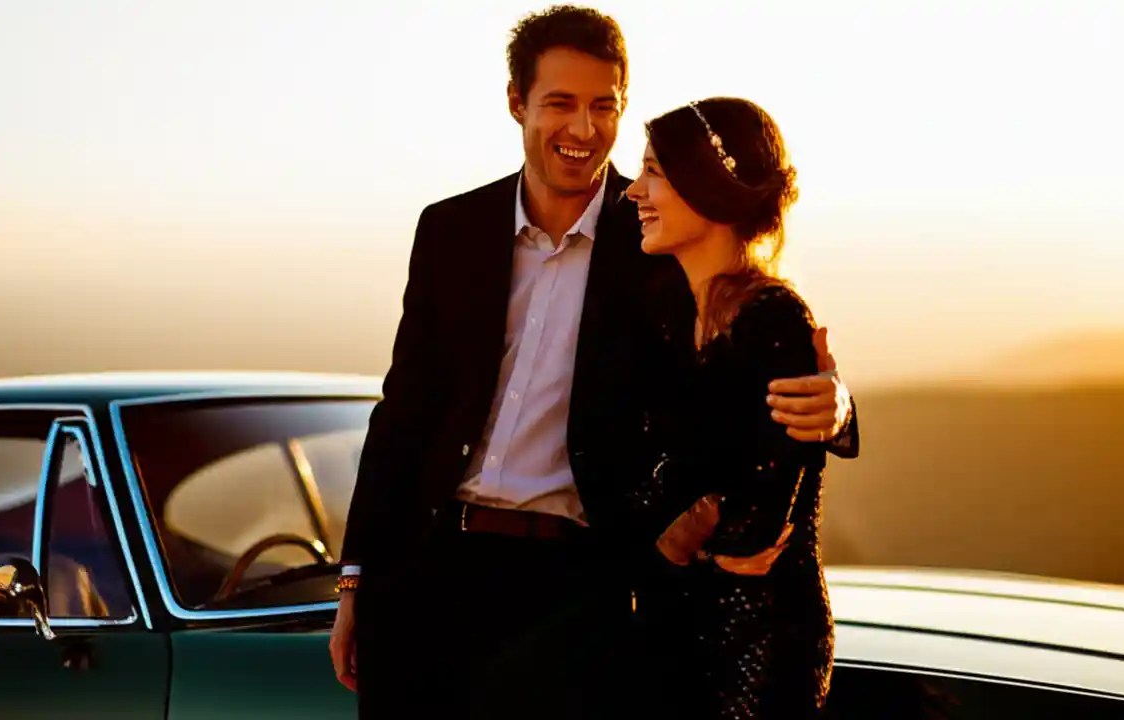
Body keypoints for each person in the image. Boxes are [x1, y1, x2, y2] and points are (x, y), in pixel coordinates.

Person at [327, 6, 860, 718]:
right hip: (426, 573)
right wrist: (358, 580)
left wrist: (840, 409)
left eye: (603, 106)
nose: (583, 130)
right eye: (560, 104)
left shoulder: (658, 240)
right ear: (517, 103)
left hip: (577, 590)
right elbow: (403, 411)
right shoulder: (450, 231)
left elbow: (754, 356)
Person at [624, 97, 835, 719]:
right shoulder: (667, 314)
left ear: (706, 185)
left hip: (757, 639)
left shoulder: (773, 318)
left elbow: (755, 524)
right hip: (673, 624)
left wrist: (675, 537)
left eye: (654, 172)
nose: (634, 190)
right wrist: (668, 540)